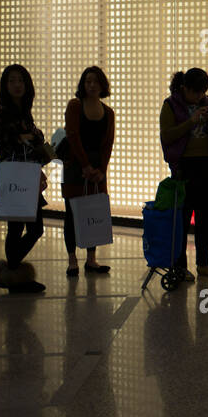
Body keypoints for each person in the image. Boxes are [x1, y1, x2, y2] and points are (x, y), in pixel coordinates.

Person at [160, 67, 208, 281]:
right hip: (184, 166)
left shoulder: (204, 103)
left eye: (202, 92)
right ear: (184, 88)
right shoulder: (171, 105)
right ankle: (180, 265)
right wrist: (191, 121)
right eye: (195, 92)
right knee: (183, 218)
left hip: (207, 165)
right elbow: (167, 136)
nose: (199, 96)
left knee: (205, 216)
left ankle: (203, 263)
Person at [0, 64, 48, 293]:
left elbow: (33, 140)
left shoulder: (25, 110)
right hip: (15, 174)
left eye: (21, 81)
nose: (17, 85)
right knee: (17, 227)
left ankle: (11, 272)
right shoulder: (3, 110)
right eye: (12, 81)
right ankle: (13, 273)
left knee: (34, 228)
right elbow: (5, 139)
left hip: (27, 173)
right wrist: (26, 137)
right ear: (6, 86)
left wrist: (30, 137)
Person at [62, 66, 116, 276]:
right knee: (72, 213)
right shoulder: (75, 106)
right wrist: (85, 165)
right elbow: (72, 136)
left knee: (94, 211)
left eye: (95, 81)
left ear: (102, 85)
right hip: (76, 166)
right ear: (83, 85)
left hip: (96, 169)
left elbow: (108, 143)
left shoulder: (108, 112)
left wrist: (101, 170)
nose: (92, 85)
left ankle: (91, 259)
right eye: (88, 82)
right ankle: (72, 259)